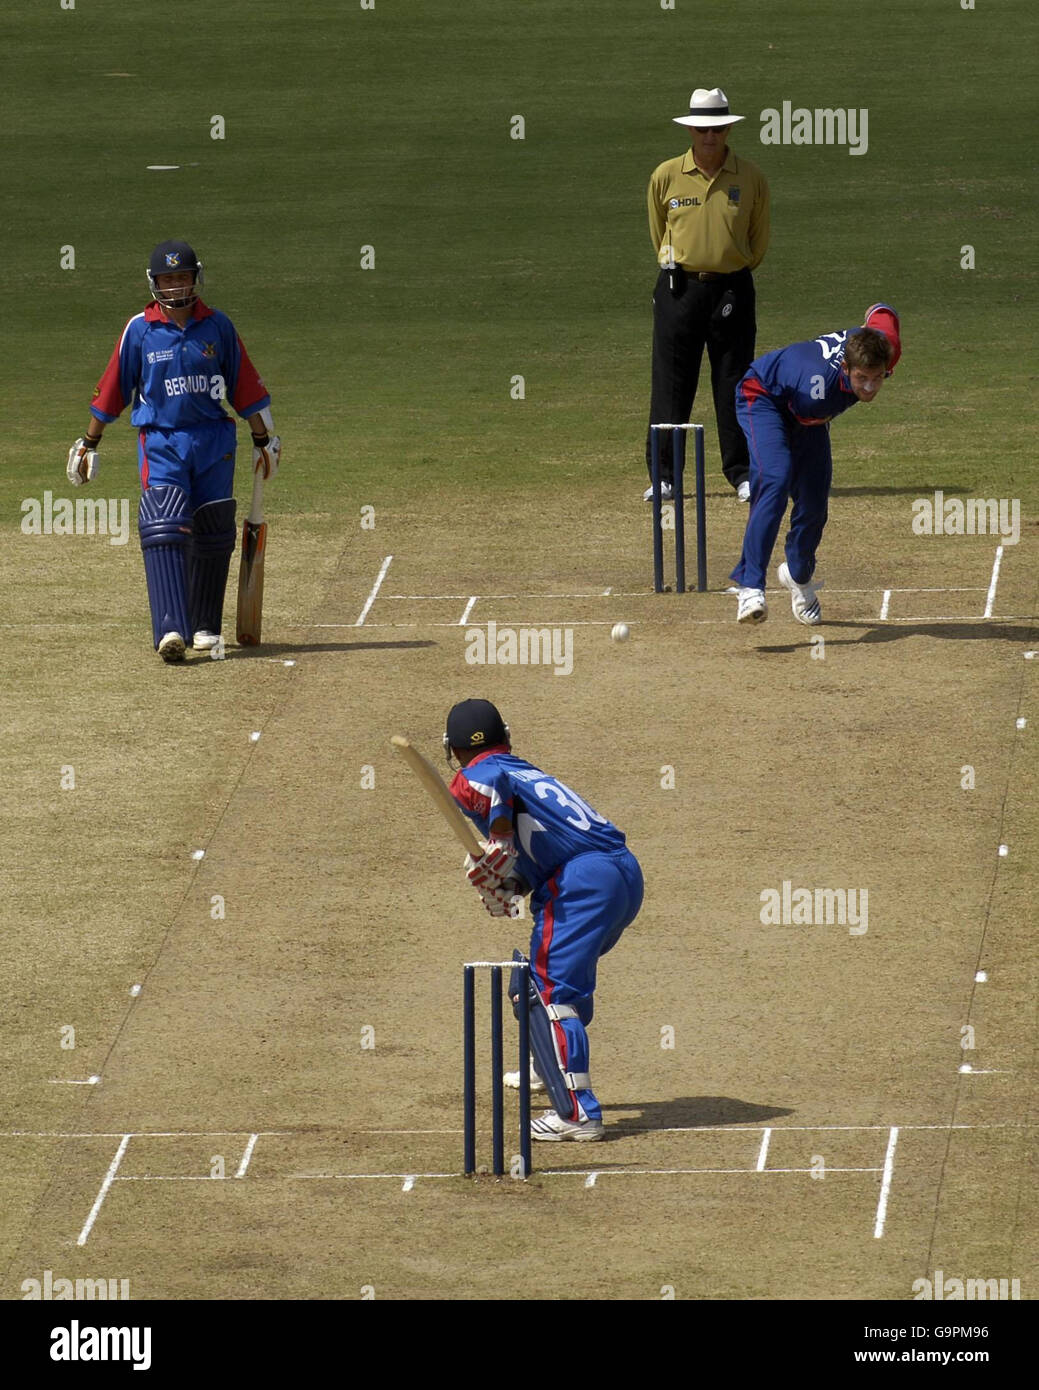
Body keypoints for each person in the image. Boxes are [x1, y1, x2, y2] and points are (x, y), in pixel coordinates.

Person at [66, 239, 280, 662]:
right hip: (162, 441)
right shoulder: (140, 331)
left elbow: (244, 386)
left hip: (214, 441)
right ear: (154, 284)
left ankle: (205, 627)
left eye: (181, 277)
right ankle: (170, 629)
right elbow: (113, 389)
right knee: (165, 525)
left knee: (215, 530)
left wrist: (264, 439)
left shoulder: (217, 326)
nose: (176, 286)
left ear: (195, 279)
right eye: (167, 279)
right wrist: (89, 442)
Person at [445, 699, 643, 1143]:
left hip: (584, 880)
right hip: (619, 872)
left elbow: (485, 781)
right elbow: (539, 848)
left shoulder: (477, 774)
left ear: (452, 749)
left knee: (546, 992)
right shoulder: (527, 773)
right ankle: (547, 1067)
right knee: (544, 985)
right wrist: (510, 886)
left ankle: (577, 1115)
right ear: (507, 735)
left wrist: (494, 840)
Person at [731, 304, 902, 625]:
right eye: (862, 378)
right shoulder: (818, 388)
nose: (869, 387)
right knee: (776, 480)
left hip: (809, 414)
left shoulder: (886, 346)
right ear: (845, 368)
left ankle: (798, 575)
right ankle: (750, 586)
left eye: (878, 378)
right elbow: (801, 419)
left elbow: (882, 312)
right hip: (765, 397)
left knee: (813, 504)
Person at [644, 87, 770, 504]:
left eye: (717, 128)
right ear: (692, 130)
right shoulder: (666, 175)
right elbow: (657, 229)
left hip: (732, 288)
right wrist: (676, 265)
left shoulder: (750, 177)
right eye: (702, 128)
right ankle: (664, 476)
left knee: (735, 381)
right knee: (671, 382)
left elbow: (759, 238)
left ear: (728, 128)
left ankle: (742, 474)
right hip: (679, 288)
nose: (710, 136)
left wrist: (733, 265)